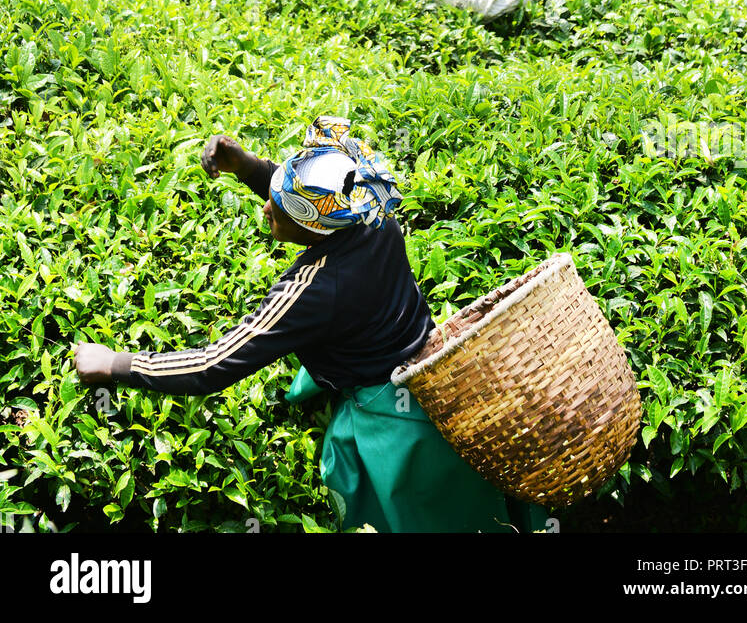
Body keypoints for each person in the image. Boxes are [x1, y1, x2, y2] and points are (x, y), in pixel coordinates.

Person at [73, 116, 547, 533]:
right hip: (426, 361)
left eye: (277, 213)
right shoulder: (370, 210)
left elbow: (215, 364)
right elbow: (308, 201)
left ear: (313, 231)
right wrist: (251, 168)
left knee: (395, 517)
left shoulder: (313, 290)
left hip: (388, 413)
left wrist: (115, 363)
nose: (266, 211)